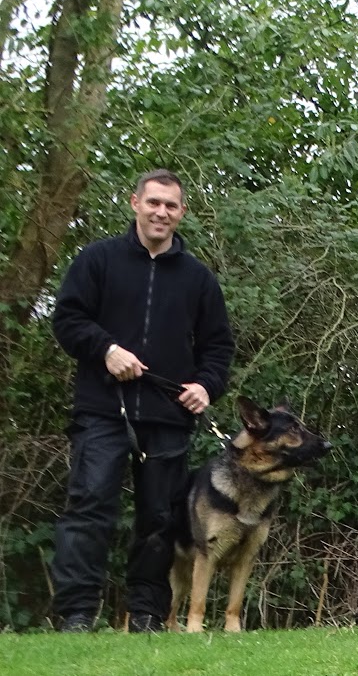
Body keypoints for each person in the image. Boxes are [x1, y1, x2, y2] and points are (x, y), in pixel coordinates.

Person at [49, 169, 235, 633]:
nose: (161, 212)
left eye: (171, 206)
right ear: (135, 203)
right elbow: (68, 320)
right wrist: (106, 350)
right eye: (153, 202)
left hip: (167, 416)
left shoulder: (198, 279)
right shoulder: (97, 260)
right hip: (102, 408)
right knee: (89, 506)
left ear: (182, 212)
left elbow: (218, 349)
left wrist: (206, 387)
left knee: (159, 518)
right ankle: (75, 614)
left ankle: (149, 614)